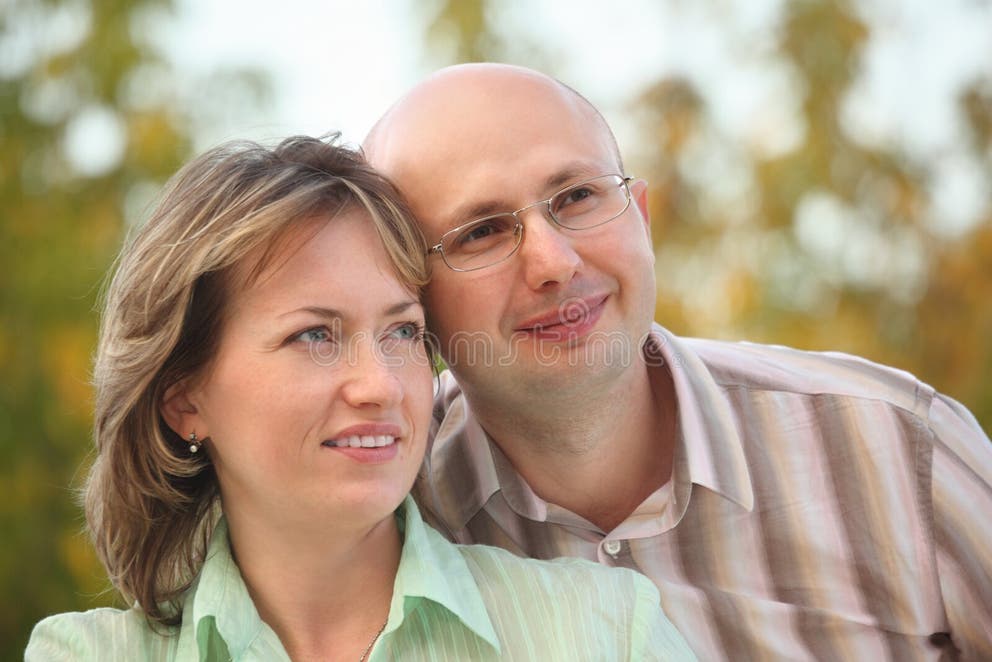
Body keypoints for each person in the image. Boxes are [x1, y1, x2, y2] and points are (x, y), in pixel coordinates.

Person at [364, 63, 992, 660]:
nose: (555, 264)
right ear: (413, 299)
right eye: (482, 232)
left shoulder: (903, 448)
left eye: (578, 196)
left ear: (639, 215)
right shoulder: (380, 518)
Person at [25, 135, 695, 661]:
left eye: (402, 330)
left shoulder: (600, 631)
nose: (380, 385)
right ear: (183, 401)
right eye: (315, 334)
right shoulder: (86, 654)